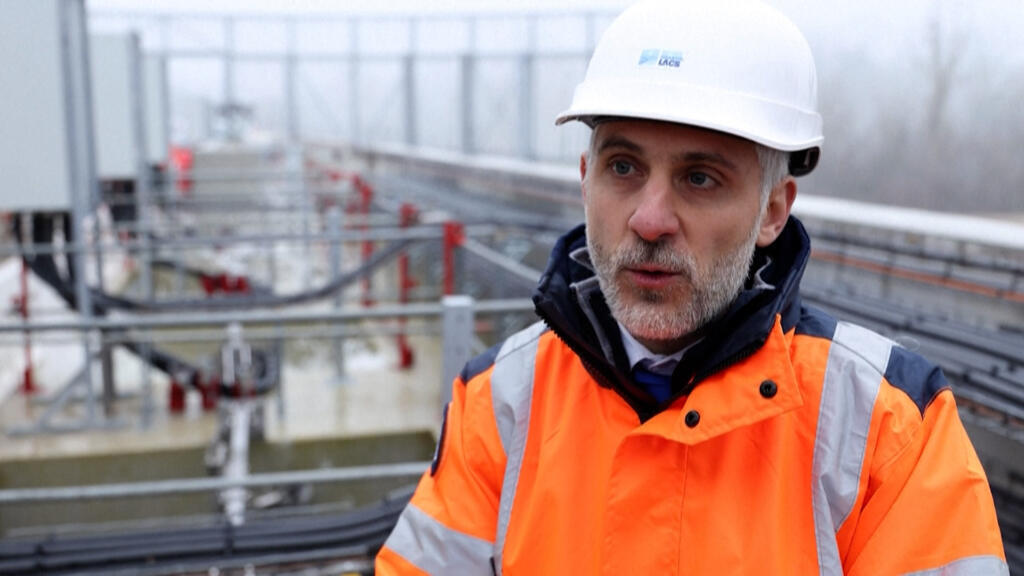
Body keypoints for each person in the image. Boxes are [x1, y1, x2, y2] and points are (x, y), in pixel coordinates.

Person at [376, 1, 1008, 574]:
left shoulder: (887, 428)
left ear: (772, 211)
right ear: (584, 179)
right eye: (623, 168)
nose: (650, 219)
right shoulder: (499, 404)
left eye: (700, 178)